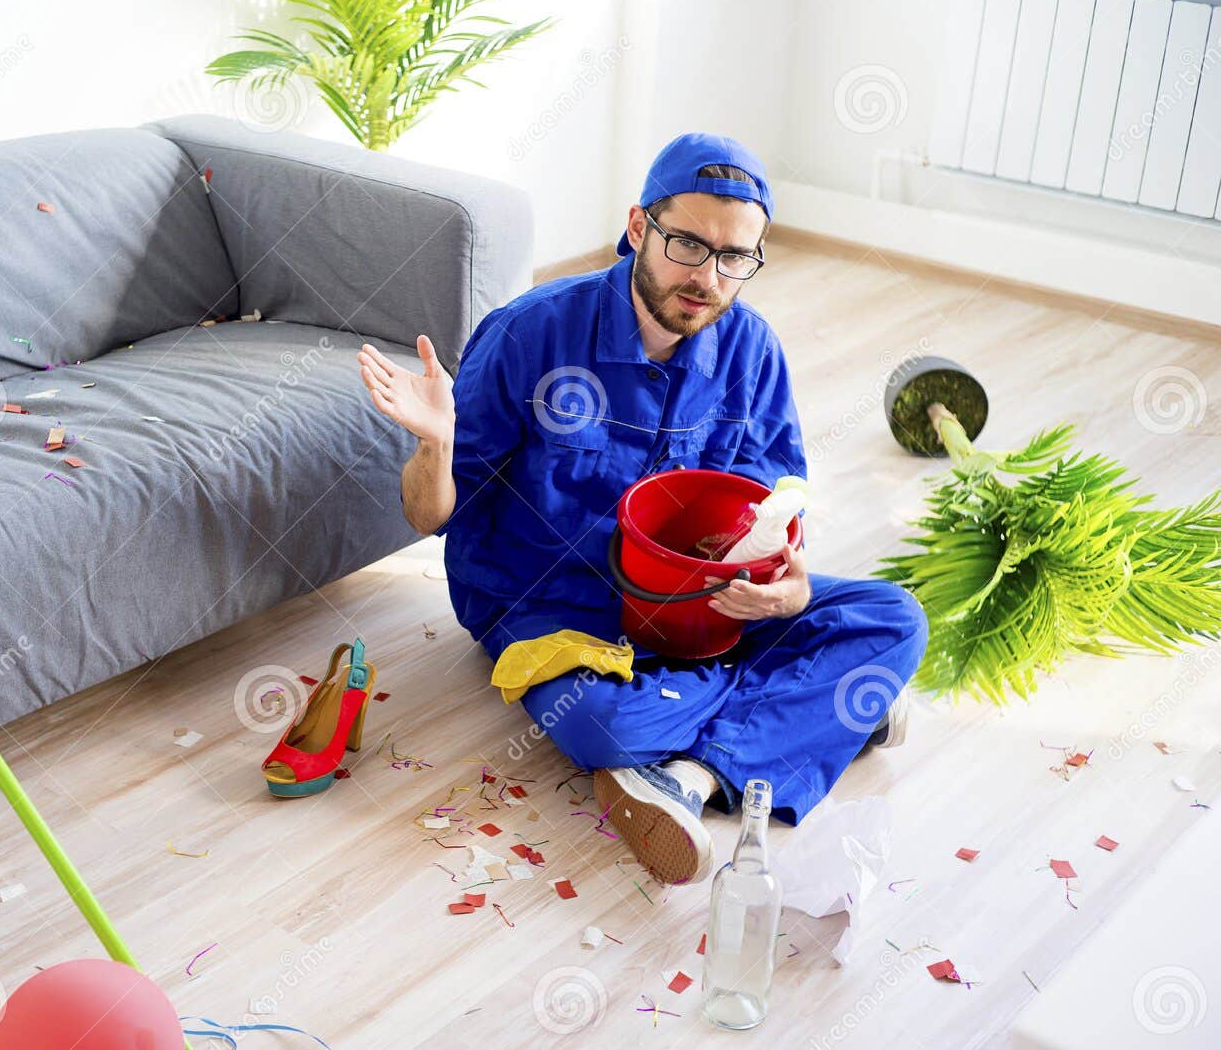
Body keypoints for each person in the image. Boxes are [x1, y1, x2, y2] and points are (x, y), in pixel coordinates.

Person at [358, 133, 927, 885]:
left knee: (896, 619)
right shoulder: (531, 333)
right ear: (638, 228)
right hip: (554, 610)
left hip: (700, 608)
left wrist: (789, 587)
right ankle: (808, 709)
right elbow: (428, 515)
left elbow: (775, 509)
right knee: (603, 725)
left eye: (734, 258)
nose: (708, 276)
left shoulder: (752, 352)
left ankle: (685, 779)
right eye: (688, 243)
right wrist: (435, 441)